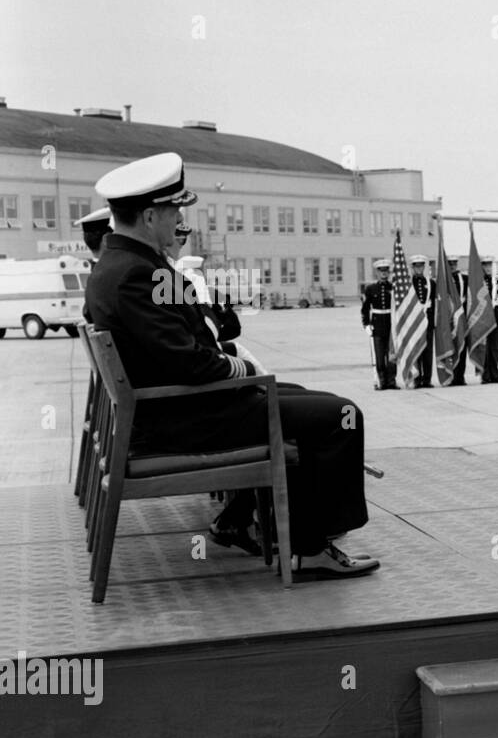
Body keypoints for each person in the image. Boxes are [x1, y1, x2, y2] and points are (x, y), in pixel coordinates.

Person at [84, 152, 377, 578]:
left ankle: (289, 531)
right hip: (189, 418)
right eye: (174, 210)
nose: (179, 219)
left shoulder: (119, 265)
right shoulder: (137, 274)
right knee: (341, 416)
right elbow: (189, 363)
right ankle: (312, 545)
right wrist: (241, 370)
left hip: (179, 409)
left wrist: (240, 371)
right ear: (149, 216)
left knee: (310, 400)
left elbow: (183, 347)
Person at [361, 259, 396, 390]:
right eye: (381, 271)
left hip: (391, 325)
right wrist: (366, 324)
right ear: (377, 272)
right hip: (377, 325)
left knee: (392, 355)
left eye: (386, 271)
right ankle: (381, 381)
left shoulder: (393, 287)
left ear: (389, 272)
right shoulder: (370, 289)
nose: (384, 274)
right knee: (379, 356)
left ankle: (391, 381)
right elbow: (365, 309)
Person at [409, 255, 433, 387]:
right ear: (413, 267)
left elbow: (435, 303)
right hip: (414, 322)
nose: (419, 268)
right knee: (416, 351)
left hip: (427, 321)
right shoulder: (408, 284)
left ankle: (427, 379)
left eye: (421, 265)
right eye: (416, 266)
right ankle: (417, 379)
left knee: (428, 352)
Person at [481, 264, 498, 383]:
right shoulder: (479, 281)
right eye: (485, 266)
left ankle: (495, 375)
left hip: (495, 317)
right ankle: (485, 376)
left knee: (494, 347)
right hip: (483, 318)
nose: (488, 268)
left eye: (490, 266)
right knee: (485, 348)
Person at [448, 256, 469, 385]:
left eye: (454, 263)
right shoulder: (444, 280)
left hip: (464, 318)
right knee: (451, 348)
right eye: (450, 264)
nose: (452, 266)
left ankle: (461, 376)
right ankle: (452, 376)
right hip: (450, 319)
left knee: (463, 348)